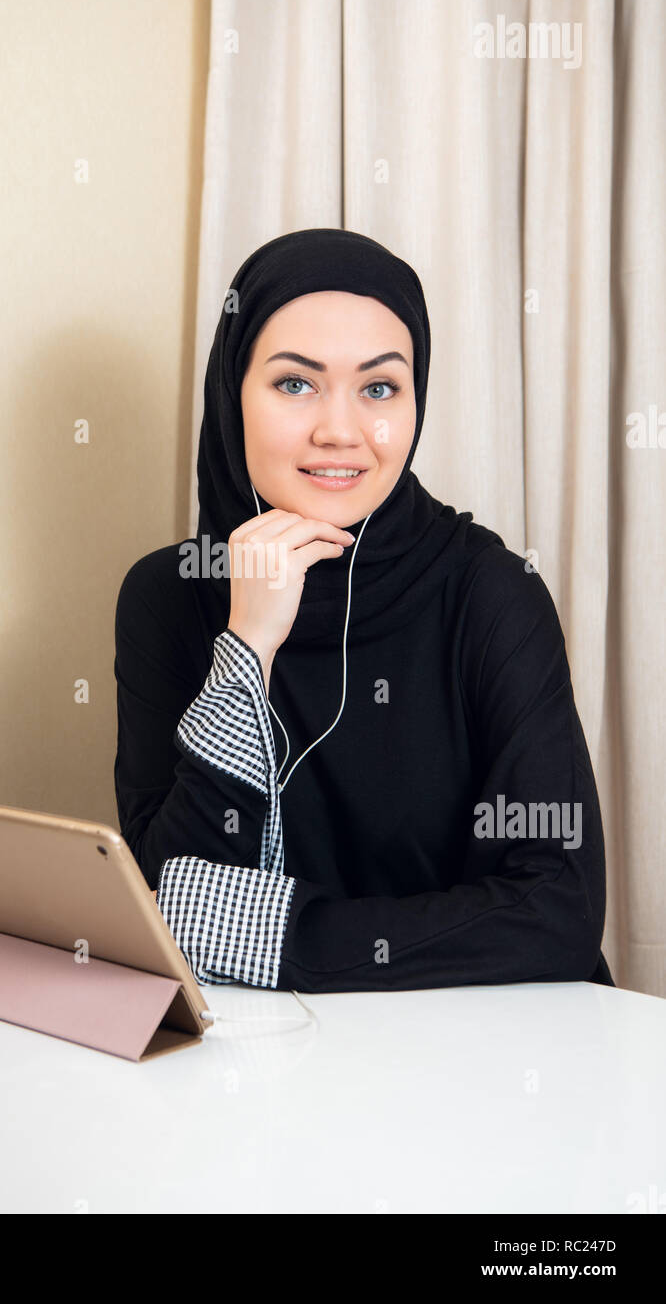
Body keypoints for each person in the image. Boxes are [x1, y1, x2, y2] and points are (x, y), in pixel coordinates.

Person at [113, 227, 614, 993]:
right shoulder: (170, 595)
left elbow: (556, 910)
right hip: (259, 1064)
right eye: (294, 384)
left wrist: (275, 938)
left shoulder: (491, 595)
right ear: (230, 394)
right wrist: (246, 648)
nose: (339, 431)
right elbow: (166, 892)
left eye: (379, 388)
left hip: (488, 1053)